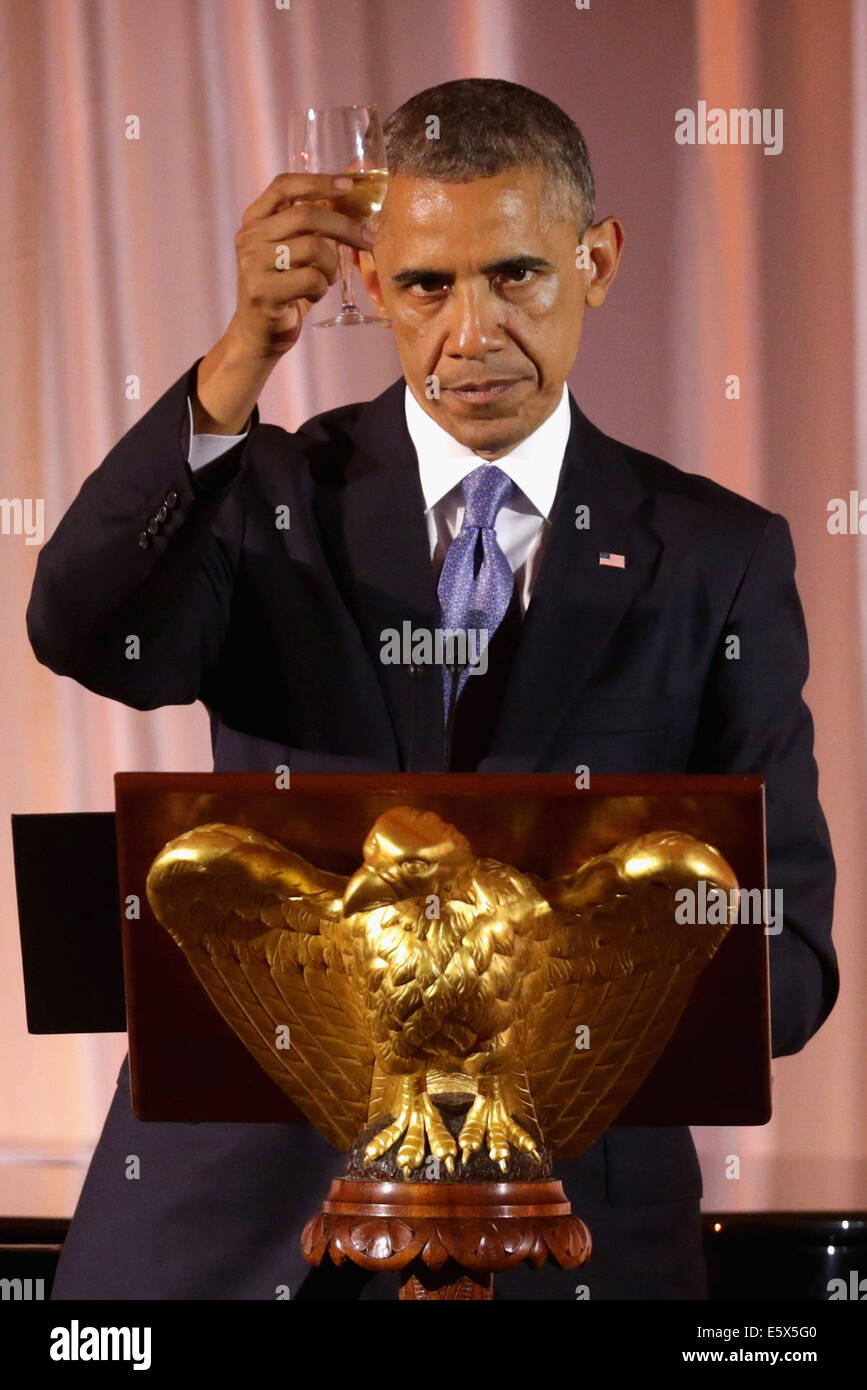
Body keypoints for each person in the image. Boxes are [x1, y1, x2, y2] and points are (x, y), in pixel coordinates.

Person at [27, 78, 837, 1301]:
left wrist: (566, 991)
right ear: (367, 284)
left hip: (566, 1237)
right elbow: (78, 627)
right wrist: (241, 354)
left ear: (598, 260)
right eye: (425, 285)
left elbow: (791, 956)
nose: (471, 333)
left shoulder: (720, 556)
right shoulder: (262, 497)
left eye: (516, 275)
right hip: (237, 1234)